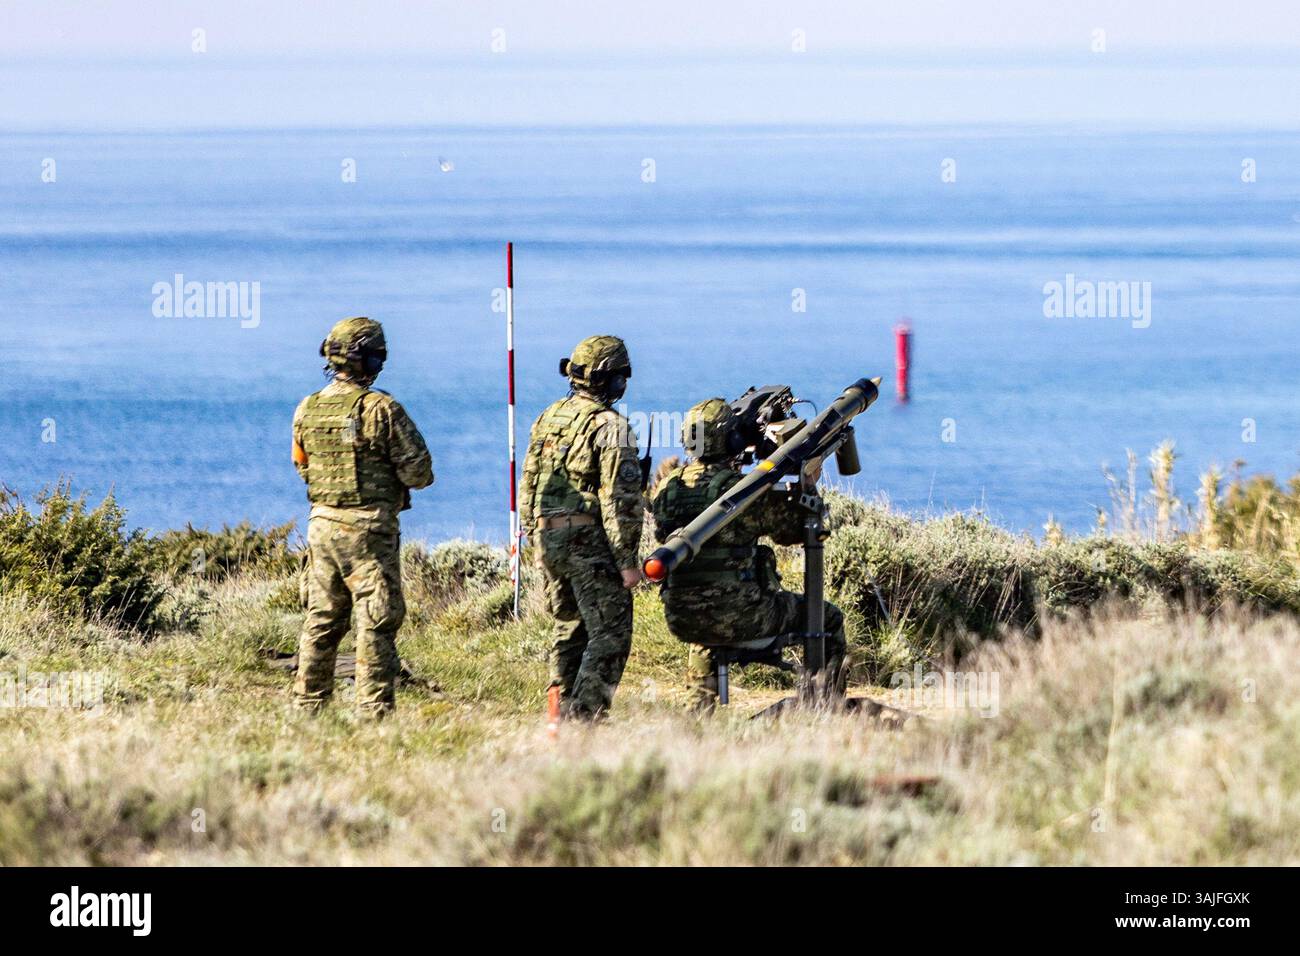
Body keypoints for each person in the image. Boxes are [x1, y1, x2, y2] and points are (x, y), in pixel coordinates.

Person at [650, 398, 847, 711]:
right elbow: (794, 531)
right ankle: (824, 707)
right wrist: (808, 484)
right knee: (830, 618)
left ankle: (695, 716)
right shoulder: (741, 492)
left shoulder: (668, 488)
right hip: (744, 616)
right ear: (733, 439)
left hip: (682, 617)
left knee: (707, 614)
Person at [291, 316, 433, 718]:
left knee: (322, 618)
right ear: (370, 360)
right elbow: (419, 472)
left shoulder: (308, 407)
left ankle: (309, 708)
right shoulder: (381, 409)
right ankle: (373, 713)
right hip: (368, 529)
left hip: (321, 526)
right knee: (376, 620)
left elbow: (302, 465)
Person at [518, 335, 644, 720]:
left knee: (569, 627)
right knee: (610, 634)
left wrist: (533, 535)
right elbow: (619, 500)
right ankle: (585, 719)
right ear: (610, 379)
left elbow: (529, 481)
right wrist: (627, 560)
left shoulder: (549, 416)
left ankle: (558, 713)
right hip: (585, 540)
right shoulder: (611, 426)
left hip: (548, 539)